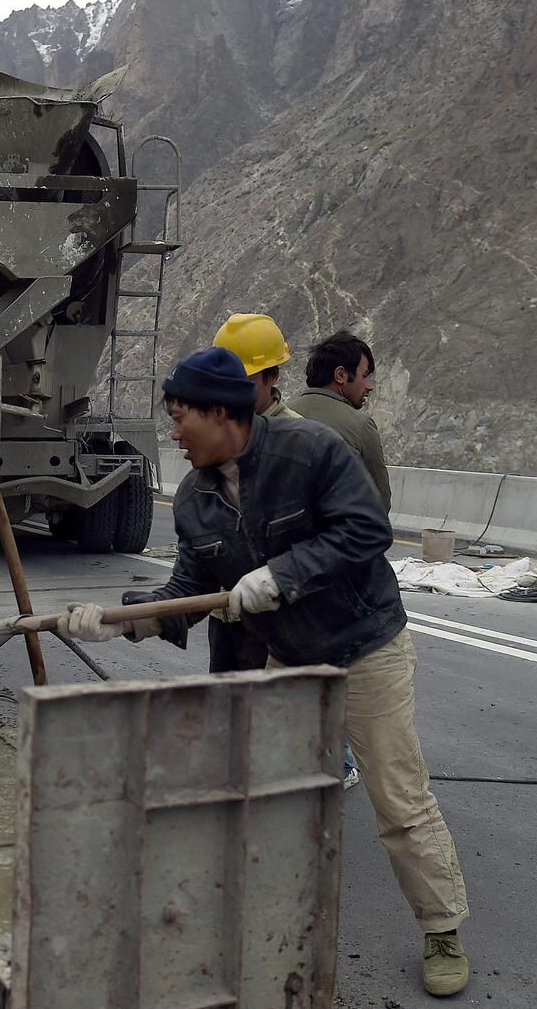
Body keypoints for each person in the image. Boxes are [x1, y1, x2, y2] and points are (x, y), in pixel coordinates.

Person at [63, 347, 470, 998]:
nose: (172, 431)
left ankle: (442, 928)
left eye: (179, 416)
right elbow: (186, 593)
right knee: (277, 807)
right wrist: (118, 620)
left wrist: (282, 575)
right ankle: (277, 931)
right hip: (290, 657)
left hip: (365, 645)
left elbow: (367, 531)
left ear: (221, 413)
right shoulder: (195, 499)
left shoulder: (309, 451)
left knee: (399, 801)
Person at [212, 313, 360, 790]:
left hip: (280, 607)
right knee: (227, 706)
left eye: (242, 380)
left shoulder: (306, 442)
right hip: (225, 608)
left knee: (276, 714)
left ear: (272, 377)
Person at [286, 330, 391, 511]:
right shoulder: (361, 426)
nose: (370, 387)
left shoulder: (276, 418)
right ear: (340, 375)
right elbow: (380, 502)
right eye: (364, 376)